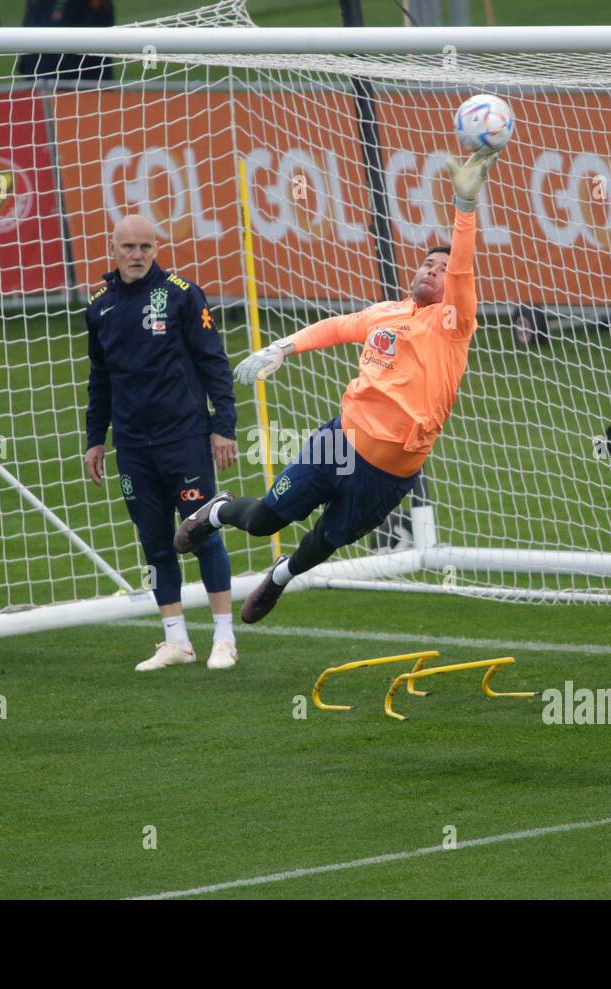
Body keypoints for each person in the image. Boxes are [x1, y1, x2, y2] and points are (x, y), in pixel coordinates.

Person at [174, 149, 500, 623]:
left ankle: (280, 578)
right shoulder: (385, 313)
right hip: (340, 443)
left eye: (442, 268)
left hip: (390, 472)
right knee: (266, 520)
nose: (432, 269)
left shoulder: (452, 322)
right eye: (427, 262)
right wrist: (281, 348)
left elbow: (465, 265)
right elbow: (336, 326)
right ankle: (216, 513)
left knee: (328, 539)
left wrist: (465, 208)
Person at [85, 215, 240, 670]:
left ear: (157, 248)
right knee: (153, 542)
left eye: (145, 247)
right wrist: (97, 438)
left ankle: (224, 638)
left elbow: (213, 361)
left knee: (202, 534)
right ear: (113, 249)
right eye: (129, 247)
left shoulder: (181, 295)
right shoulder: (99, 306)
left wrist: (223, 426)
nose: (137, 255)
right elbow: (100, 379)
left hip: (184, 438)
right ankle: (176, 640)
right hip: (132, 446)